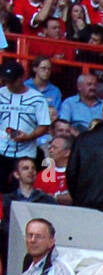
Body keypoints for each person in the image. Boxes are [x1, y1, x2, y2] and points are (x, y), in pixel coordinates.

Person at [0, 61, 51, 189]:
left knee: (21, 192)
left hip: (25, 154)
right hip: (1, 150)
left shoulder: (37, 98)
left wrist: (28, 137)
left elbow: (44, 125)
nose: (9, 84)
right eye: (6, 80)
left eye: (12, 80)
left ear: (21, 78)